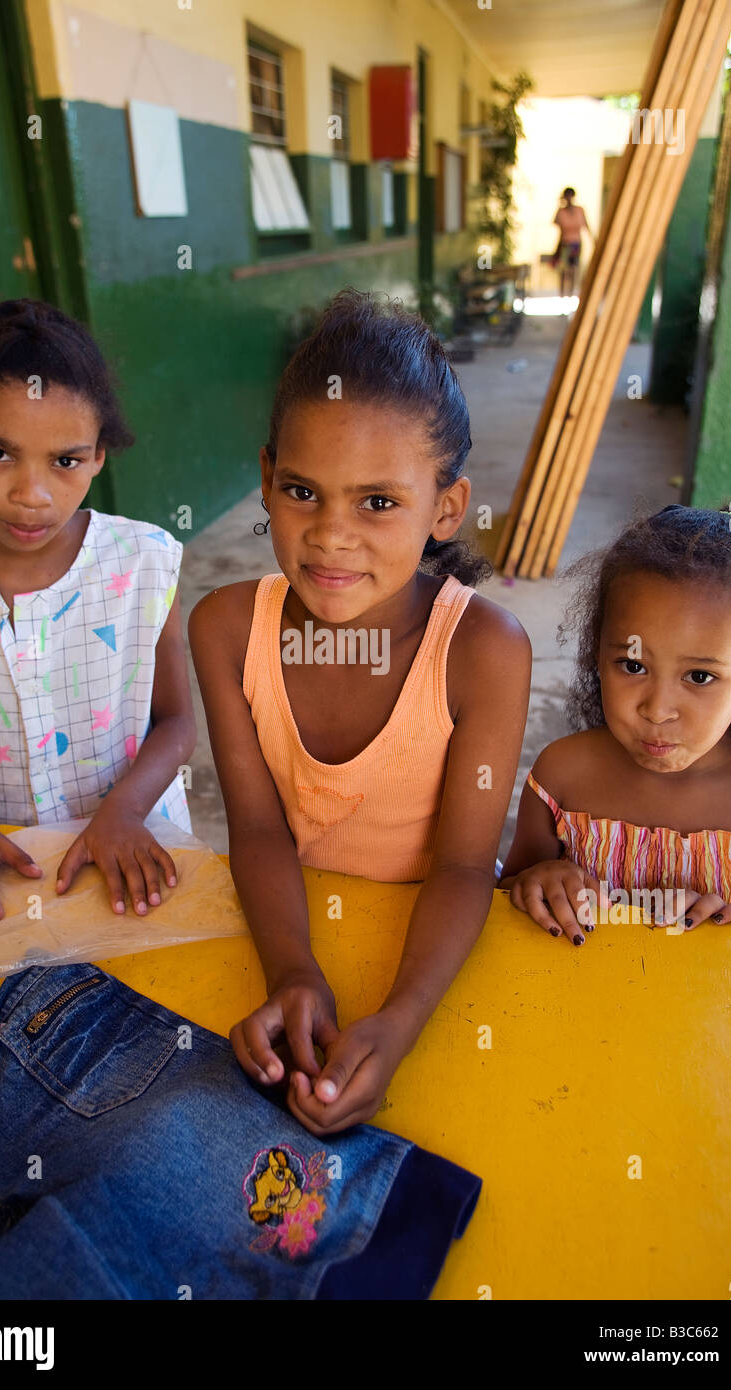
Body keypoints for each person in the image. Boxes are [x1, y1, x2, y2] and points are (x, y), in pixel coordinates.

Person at [189, 289, 531, 1135]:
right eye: (303, 491)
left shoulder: (483, 651)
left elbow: (462, 867)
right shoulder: (228, 629)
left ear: (445, 509)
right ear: (267, 479)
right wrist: (294, 973)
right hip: (291, 924)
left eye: (378, 503)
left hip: (425, 956)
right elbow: (259, 832)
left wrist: (400, 1020)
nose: (332, 537)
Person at [0, 299, 196, 935]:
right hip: (6, 867)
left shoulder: (143, 563)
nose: (31, 495)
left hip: (141, 847)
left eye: (65, 461)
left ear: (98, 457)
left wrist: (124, 813)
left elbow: (175, 723)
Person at [500, 505, 731, 938]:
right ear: (596, 652)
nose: (658, 709)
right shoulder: (562, 779)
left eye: (700, 677)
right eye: (632, 665)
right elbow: (504, 895)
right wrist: (538, 882)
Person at [552, 187, 592, 299]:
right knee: (564, 270)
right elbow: (557, 224)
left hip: (576, 243)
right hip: (565, 243)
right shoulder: (561, 211)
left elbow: (586, 225)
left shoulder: (580, 210)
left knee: (573, 269)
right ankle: (562, 295)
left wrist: (592, 240)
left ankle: (570, 294)